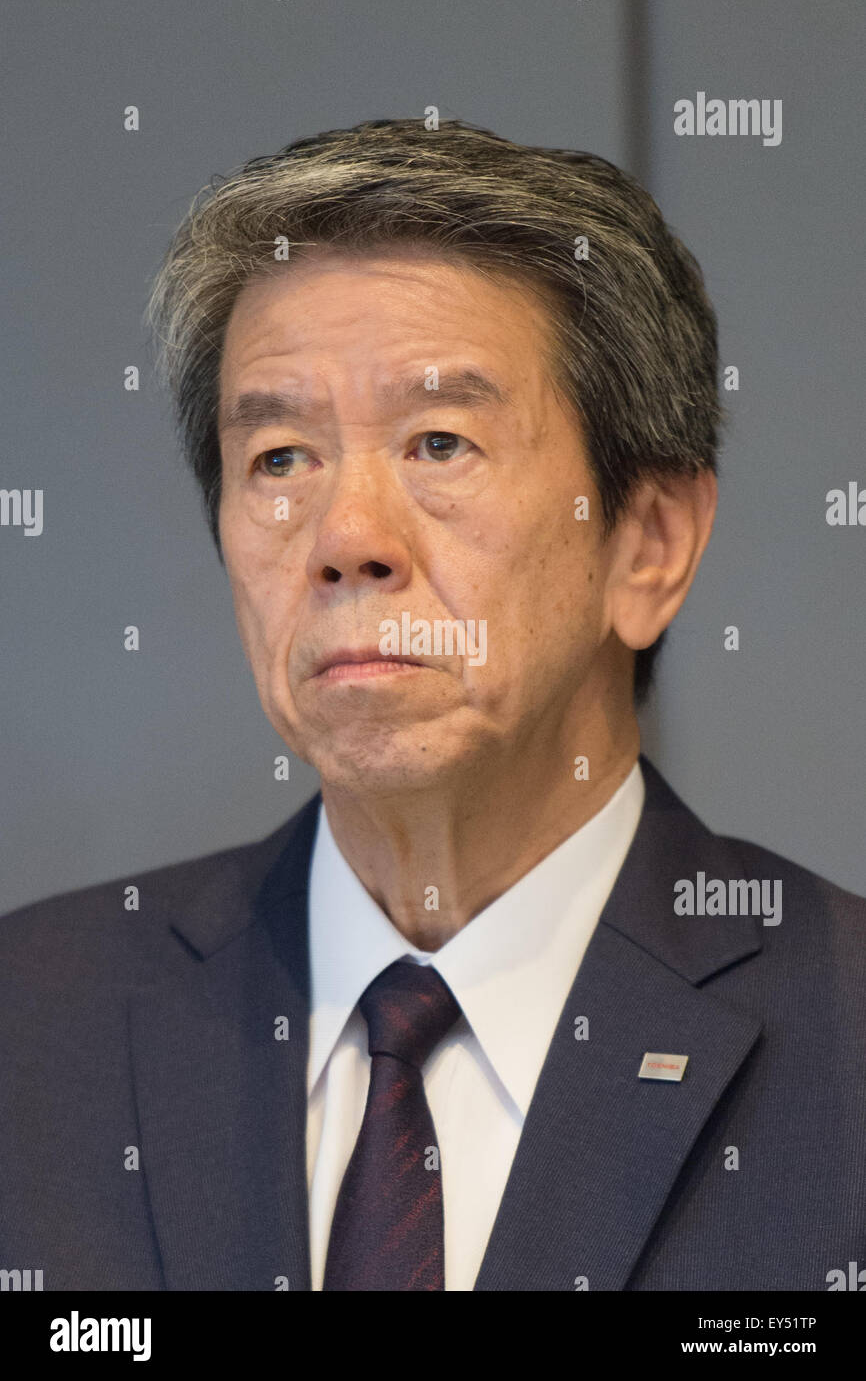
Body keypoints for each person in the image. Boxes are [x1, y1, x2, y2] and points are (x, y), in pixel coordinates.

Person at [1, 119, 864, 1292]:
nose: (346, 540)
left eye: (438, 442)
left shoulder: (841, 1033)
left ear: (647, 545)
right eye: (280, 460)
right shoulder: (35, 1027)